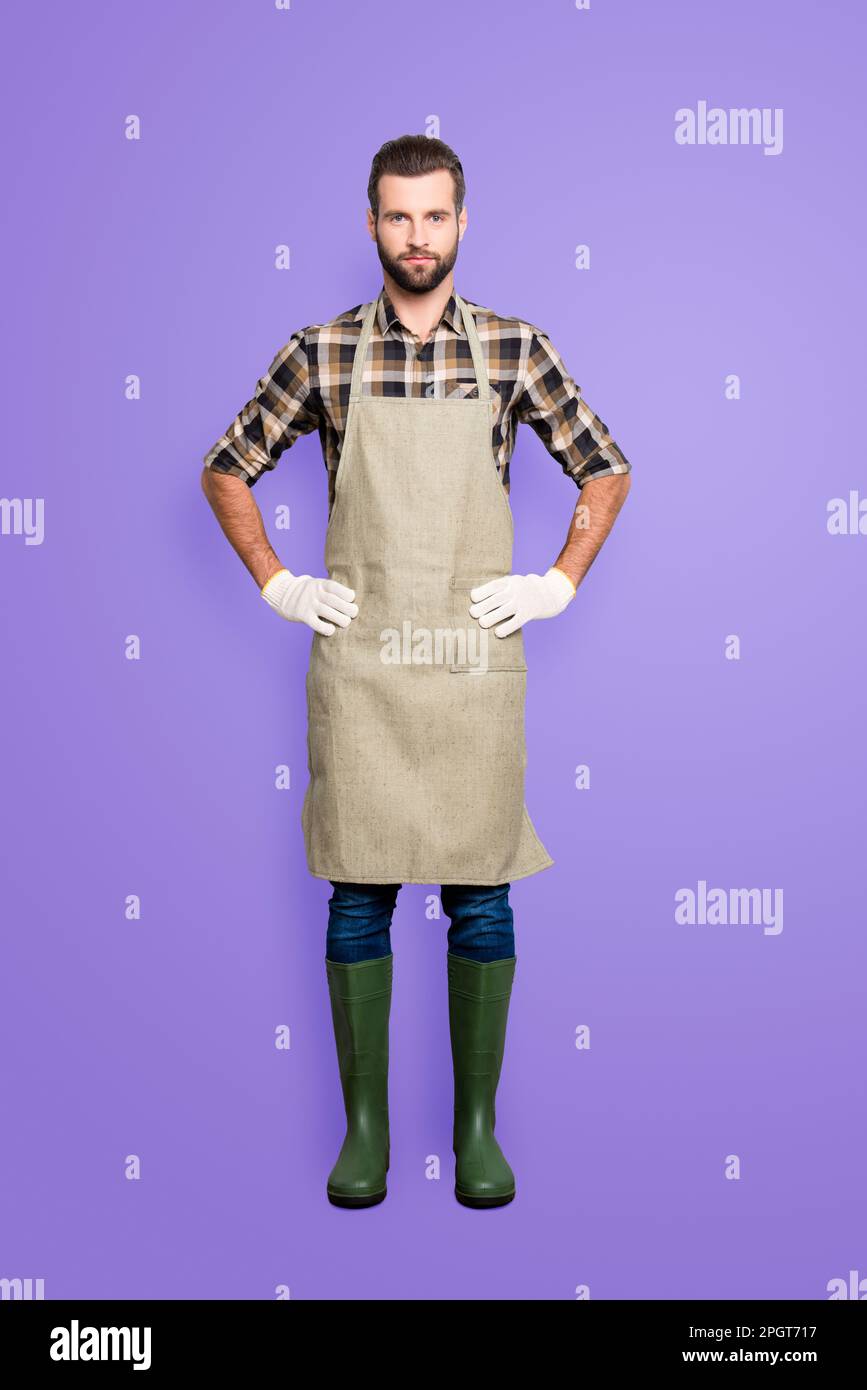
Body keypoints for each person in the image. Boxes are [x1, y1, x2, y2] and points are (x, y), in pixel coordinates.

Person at [200, 134, 631, 1210]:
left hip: (474, 661)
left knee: (482, 896)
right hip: (364, 666)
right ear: (371, 225)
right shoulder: (324, 352)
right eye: (398, 217)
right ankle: (365, 1135)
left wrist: (558, 583)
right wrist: (278, 583)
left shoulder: (515, 347)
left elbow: (605, 468)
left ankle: (477, 1130)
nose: (417, 236)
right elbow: (226, 467)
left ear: (462, 223)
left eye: (435, 216)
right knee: (360, 891)